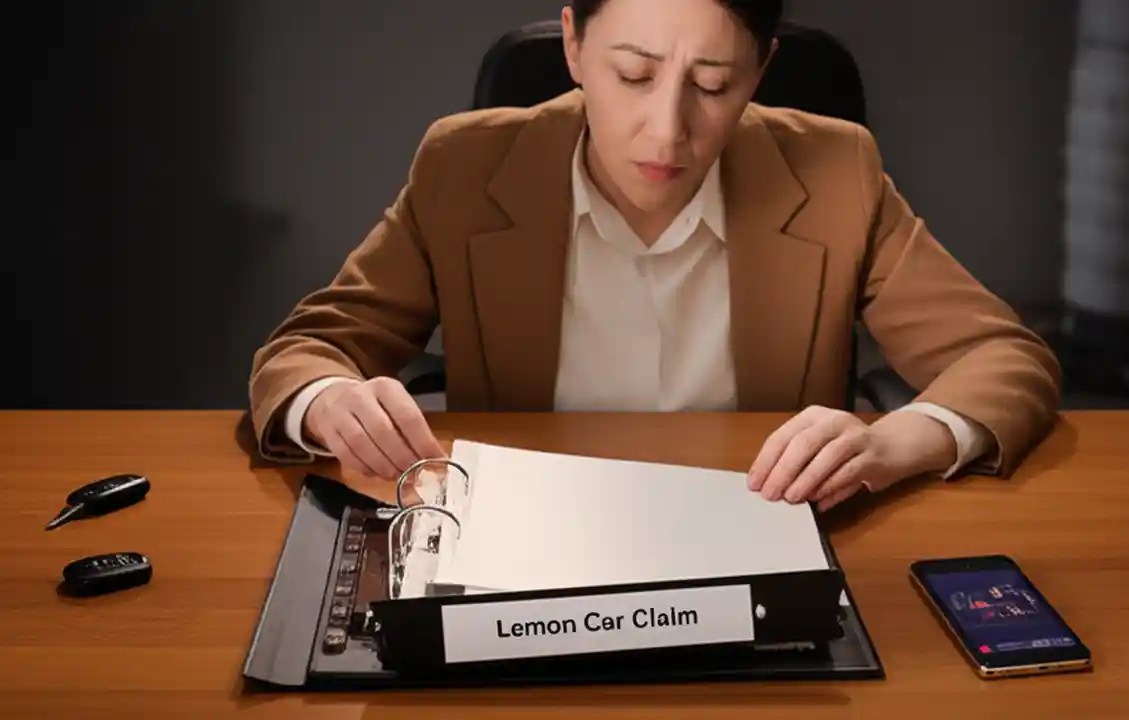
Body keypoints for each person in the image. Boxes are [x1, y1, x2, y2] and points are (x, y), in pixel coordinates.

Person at [248, 0, 1061, 512]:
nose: (668, 131)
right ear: (571, 44)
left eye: (712, 85)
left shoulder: (835, 169)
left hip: (754, 526)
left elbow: (1003, 358)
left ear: (761, 72)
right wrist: (325, 398)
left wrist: (896, 441)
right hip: (522, 538)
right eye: (633, 74)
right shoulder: (465, 166)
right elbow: (307, 350)